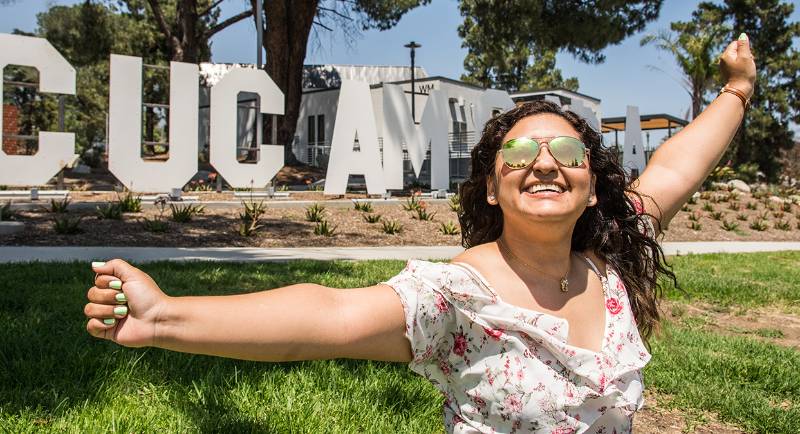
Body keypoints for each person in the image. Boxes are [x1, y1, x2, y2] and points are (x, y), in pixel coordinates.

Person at [84, 35, 756, 433]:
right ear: (492, 186)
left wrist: (738, 92)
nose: (546, 163)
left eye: (567, 153)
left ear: (591, 181)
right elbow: (325, 313)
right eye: (521, 155)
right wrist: (166, 316)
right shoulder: (458, 297)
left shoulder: (609, 260)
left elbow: (675, 166)